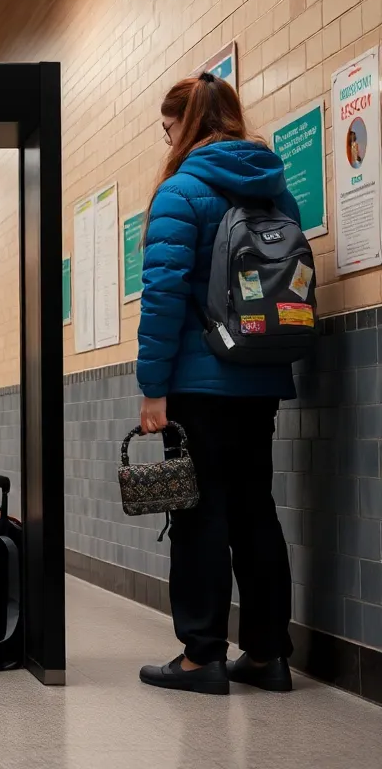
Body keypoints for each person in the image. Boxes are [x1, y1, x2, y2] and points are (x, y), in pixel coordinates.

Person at [136, 73, 295, 695]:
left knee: (200, 516)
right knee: (257, 512)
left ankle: (201, 657)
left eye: (169, 127)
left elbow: (164, 296)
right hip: (260, 380)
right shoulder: (276, 191)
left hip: (200, 387)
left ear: (187, 125)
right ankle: (267, 655)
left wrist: (153, 387)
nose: (167, 138)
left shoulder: (183, 191)